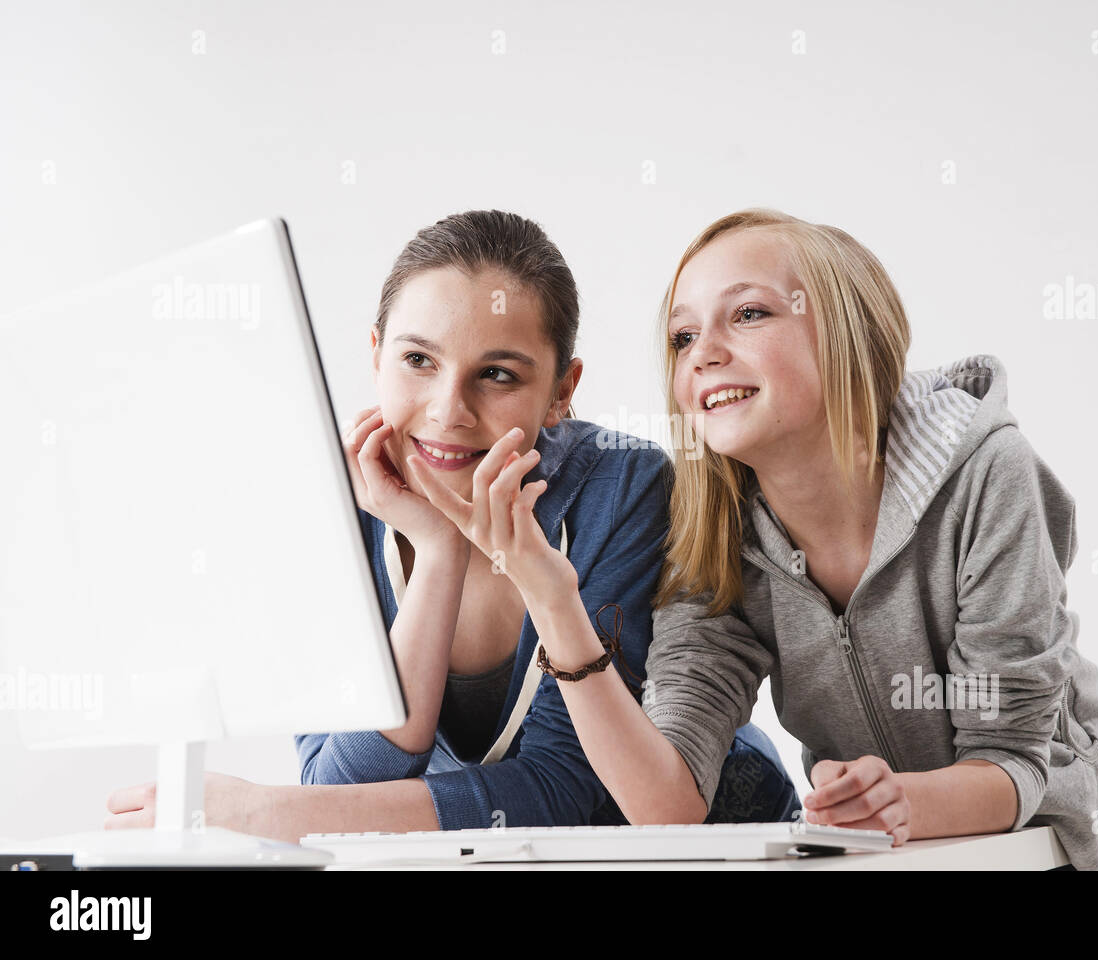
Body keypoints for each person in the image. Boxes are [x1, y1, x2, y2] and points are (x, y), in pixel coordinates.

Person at [443, 207, 1098, 870]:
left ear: (847, 333)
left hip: (1048, 844)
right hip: (888, 851)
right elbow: (666, 802)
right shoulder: (714, 533)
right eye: (683, 336)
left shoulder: (987, 476)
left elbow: (1015, 758)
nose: (702, 355)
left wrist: (903, 801)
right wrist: (551, 598)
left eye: (748, 314)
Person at [104, 210, 798, 839]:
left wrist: (272, 813)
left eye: (496, 374)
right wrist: (436, 554)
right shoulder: (335, 505)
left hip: (706, 844)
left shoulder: (623, 487)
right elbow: (343, 784)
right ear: (375, 354)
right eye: (417, 360)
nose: (447, 410)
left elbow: (563, 790)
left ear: (561, 392)